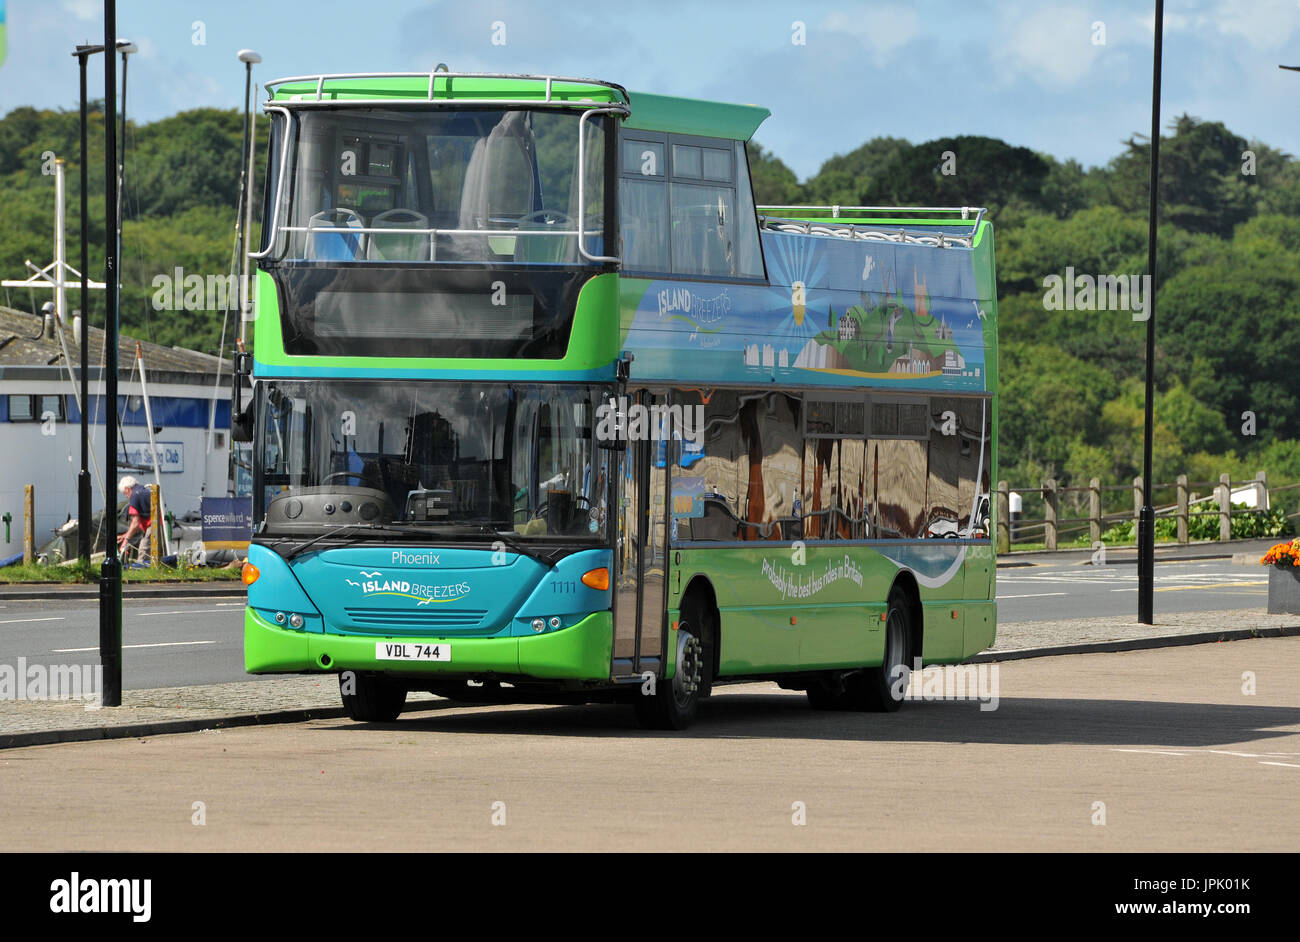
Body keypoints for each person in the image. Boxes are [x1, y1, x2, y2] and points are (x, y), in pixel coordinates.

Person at [117, 476, 154, 559]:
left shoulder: (134, 496)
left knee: (143, 551)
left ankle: (143, 569)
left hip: (153, 526)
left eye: (124, 493)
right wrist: (124, 535)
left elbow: (135, 523)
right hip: (160, 524)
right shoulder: (143, 491)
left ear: (127, 489)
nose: (126, 497)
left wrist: (125, 541)